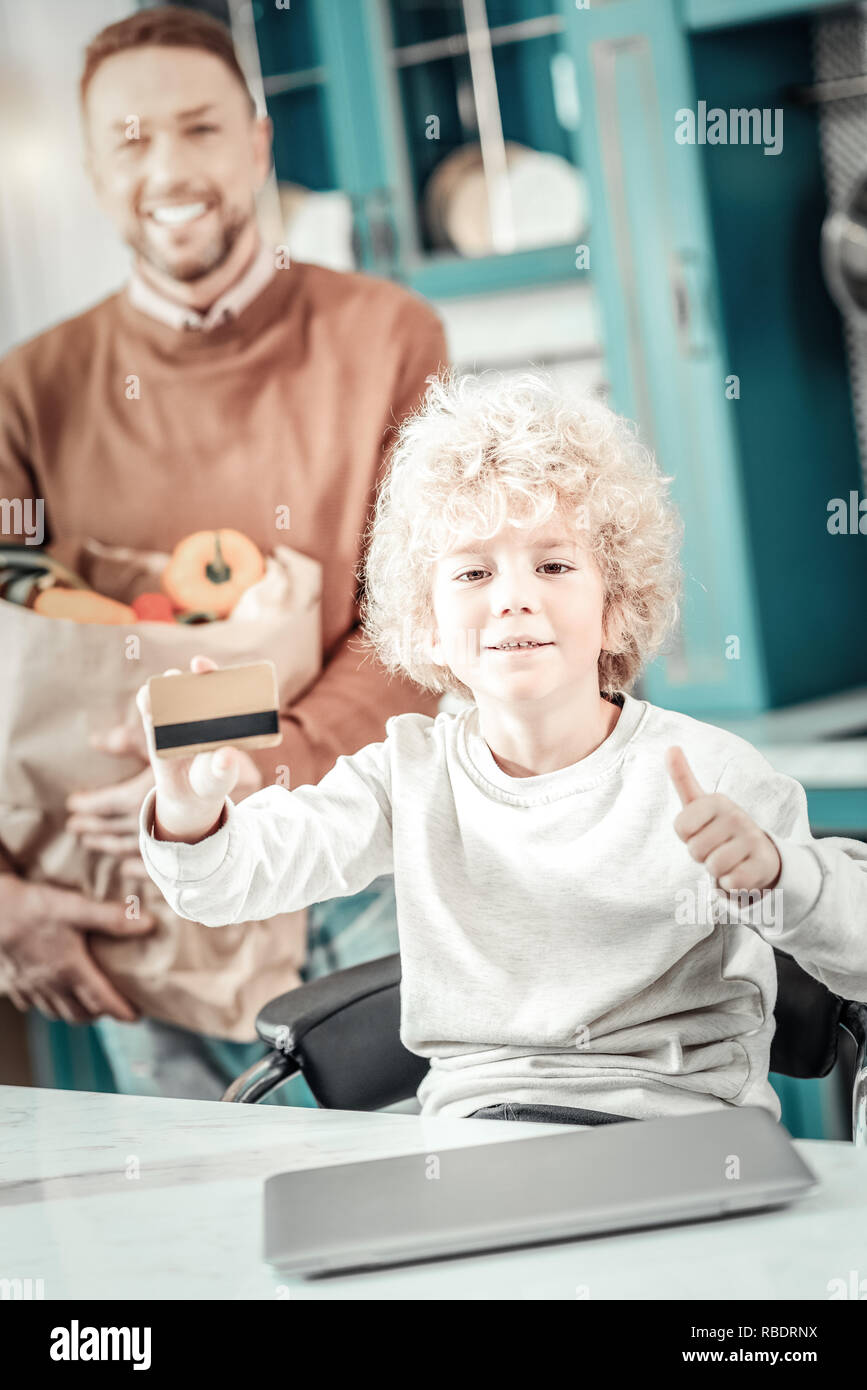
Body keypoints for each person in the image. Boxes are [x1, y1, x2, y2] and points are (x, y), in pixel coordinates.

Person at [131, 369, 867, 1125]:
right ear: (427, 626)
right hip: (475, 1143)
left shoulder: (709, 776)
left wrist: (779, 879)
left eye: (552, 565)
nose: (513, 596)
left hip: (678, 1133)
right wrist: (190, 811)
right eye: (474, 571)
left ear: (615, 609)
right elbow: (224, 885)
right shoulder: (407, 775)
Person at [0, 6, 446, 1105]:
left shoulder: (387, 335)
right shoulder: (30, 389)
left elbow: (427, 613)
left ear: (255, 142)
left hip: (355, 862)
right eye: (131, 140)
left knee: (409, 1210)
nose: (169, 170)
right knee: (191, 1247)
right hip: (129, 903)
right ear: (98, 174)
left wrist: (271, 759)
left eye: (199, 129)